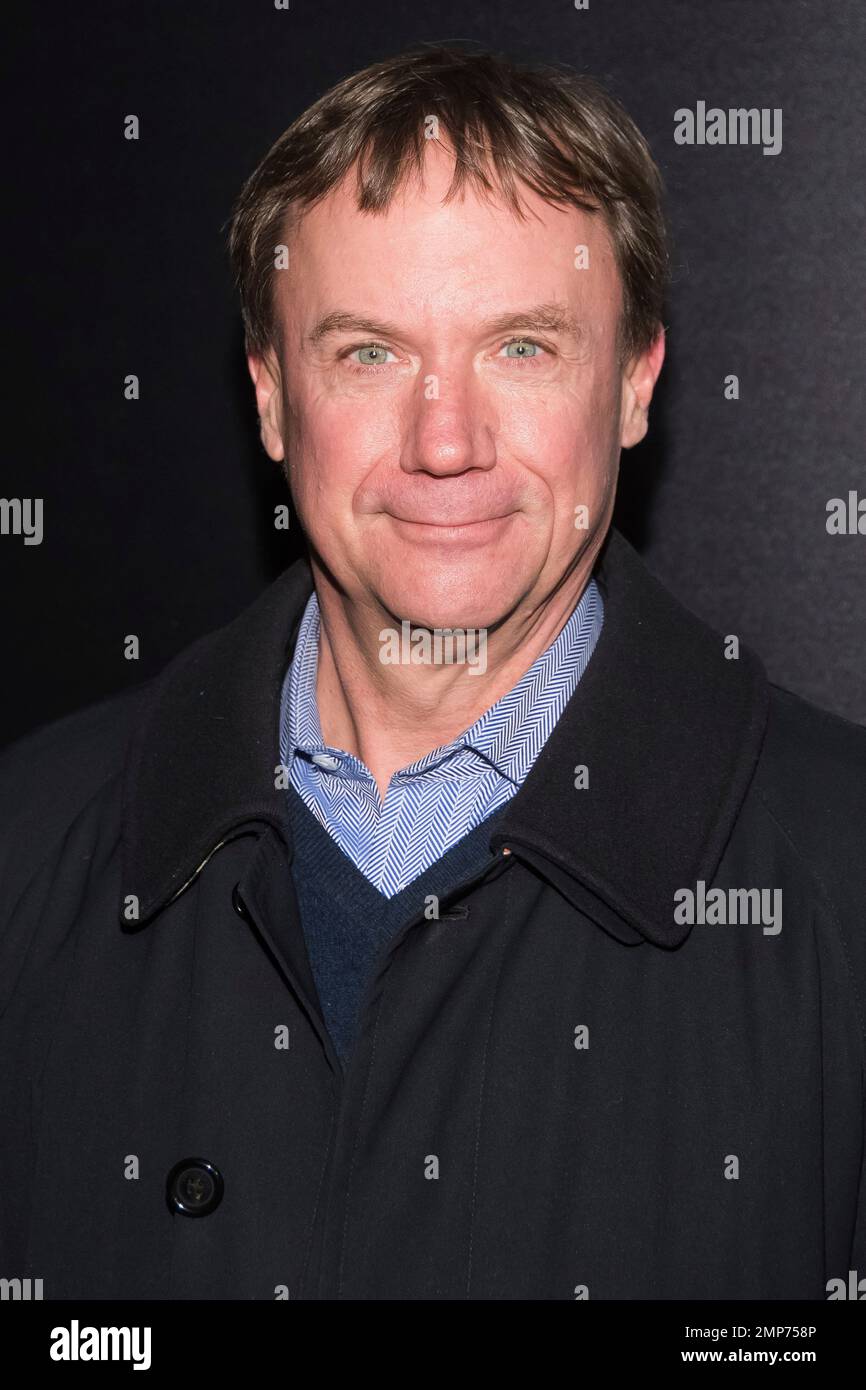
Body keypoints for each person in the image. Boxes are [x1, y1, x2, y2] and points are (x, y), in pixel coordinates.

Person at [1, 42, 864, 1302]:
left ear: (633, 382)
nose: (443, 441)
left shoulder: (840, 880)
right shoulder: (28, 852)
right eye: (367, 353)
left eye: (521, 348)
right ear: (269, 400)